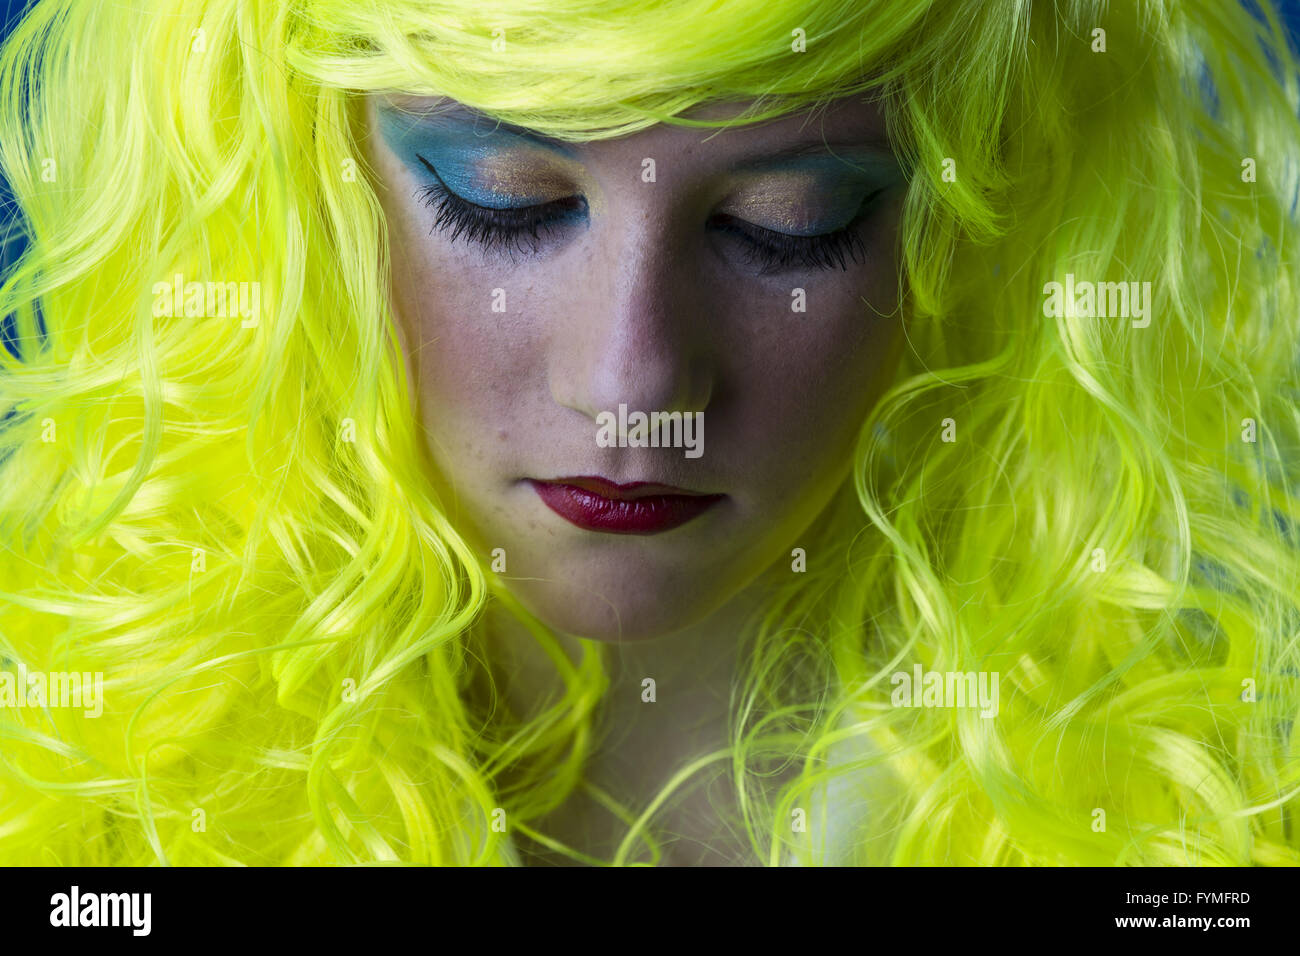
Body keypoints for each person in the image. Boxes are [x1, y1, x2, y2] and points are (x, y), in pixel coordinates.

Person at [0, 0, 1297, 866]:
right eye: (502, 204)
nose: (632, 383)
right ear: (286, 172)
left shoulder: (1207, 835)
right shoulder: (65, 814)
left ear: (979, 220)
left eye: (789, 222)